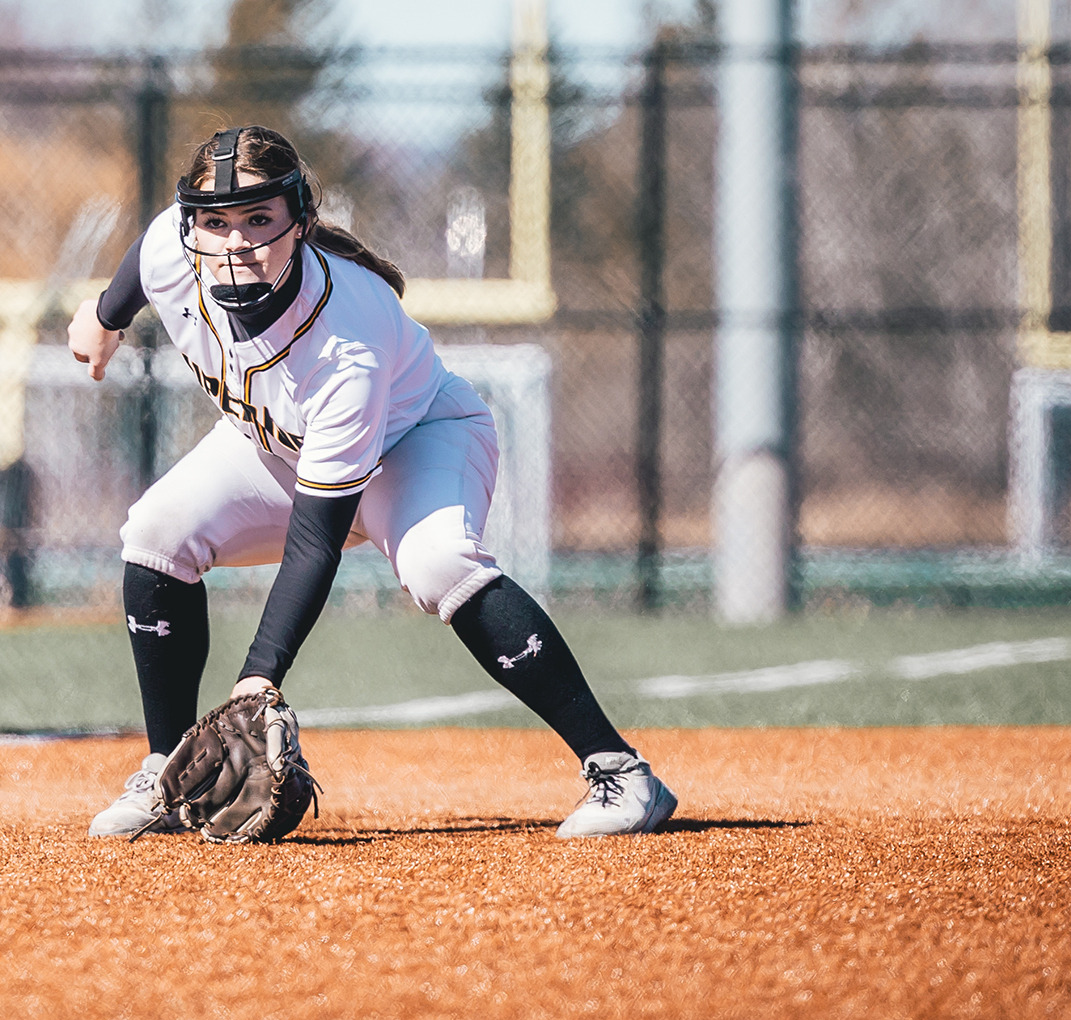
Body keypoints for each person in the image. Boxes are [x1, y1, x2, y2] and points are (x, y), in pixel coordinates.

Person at [66, 125, 675, 839]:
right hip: (281, 446)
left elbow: (315, 544)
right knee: (155, 534)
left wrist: (259, 678)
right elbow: (141, 265)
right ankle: (169, 775)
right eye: (216, 221)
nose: (234, 241)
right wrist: (104, 318)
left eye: (258, 219)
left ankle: (623, 774)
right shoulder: (174, 246)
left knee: (439, 563)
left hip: (414, 441)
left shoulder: (345, 342)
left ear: (301, 221)